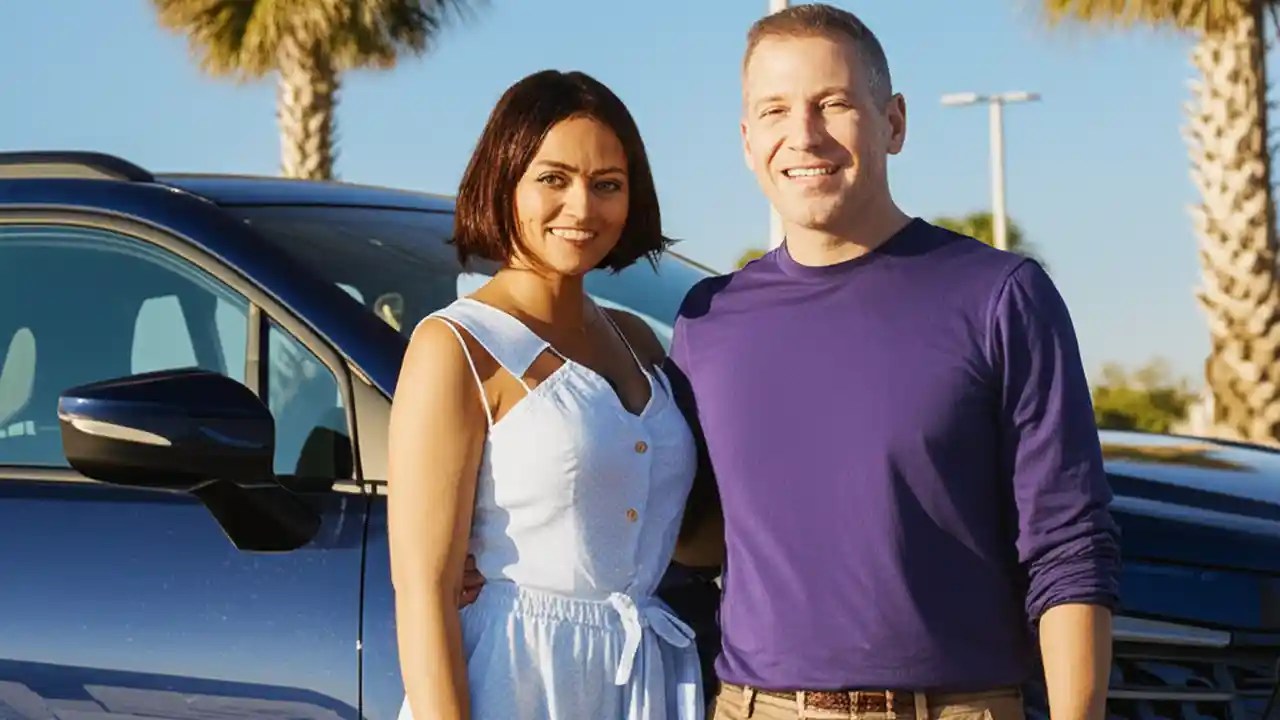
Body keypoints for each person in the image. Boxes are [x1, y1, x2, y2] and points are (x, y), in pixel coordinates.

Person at [665, 5, 1121, 720]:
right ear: (749, 141)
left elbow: (1069, 544)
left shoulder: (999, 296)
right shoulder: (707, 322)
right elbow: (675, 529)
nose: (804, 134)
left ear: (895, 122)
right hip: (754, 708)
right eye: (776, 110)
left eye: (834, 103)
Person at [387, 69, 707, 720]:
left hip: (645, 675)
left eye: (607, 185)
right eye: (553, 179)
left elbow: (695, 538)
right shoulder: (456, 347)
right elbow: (425, 588)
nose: (583, 208)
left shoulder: (639, 341)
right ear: (505, 180)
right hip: (518, 677)